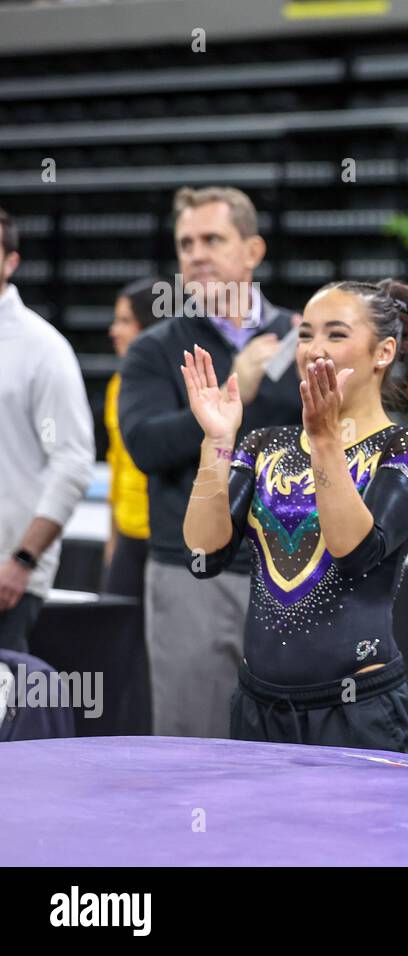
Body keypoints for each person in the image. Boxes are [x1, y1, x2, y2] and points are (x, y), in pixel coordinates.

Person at [180, 279, 408, 753]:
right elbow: (203, 553)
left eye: (336, 334)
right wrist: (216, 440)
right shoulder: (264, 446)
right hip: (260, 708)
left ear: (383, 352)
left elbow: (355, 552)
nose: (314, 349)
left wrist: (324, 439)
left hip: (355, 711)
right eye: (306, 335)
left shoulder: (406, 449)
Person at [119, 186, 302, 738]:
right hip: (190, 571)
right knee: (192, 748)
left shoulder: (305, 338)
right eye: (185, 243)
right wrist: (235, 386)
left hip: (293, 573)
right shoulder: (155, 348)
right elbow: (146, 446)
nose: (196, 254)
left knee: (290, 752)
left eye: (212, 239)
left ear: (253, 251)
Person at [0, 207, 95, 653]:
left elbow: (73, 463)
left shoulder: (44, 349)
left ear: (10, 261)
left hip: (7, 579)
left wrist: (22, 560)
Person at [103, 277, 167, 600]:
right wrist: (112, 539)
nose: (114, 330)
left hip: (167, 542)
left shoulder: (176, 385)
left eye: (125, 321)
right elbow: (116, 463)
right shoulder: (117, 383)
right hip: (128, 537)